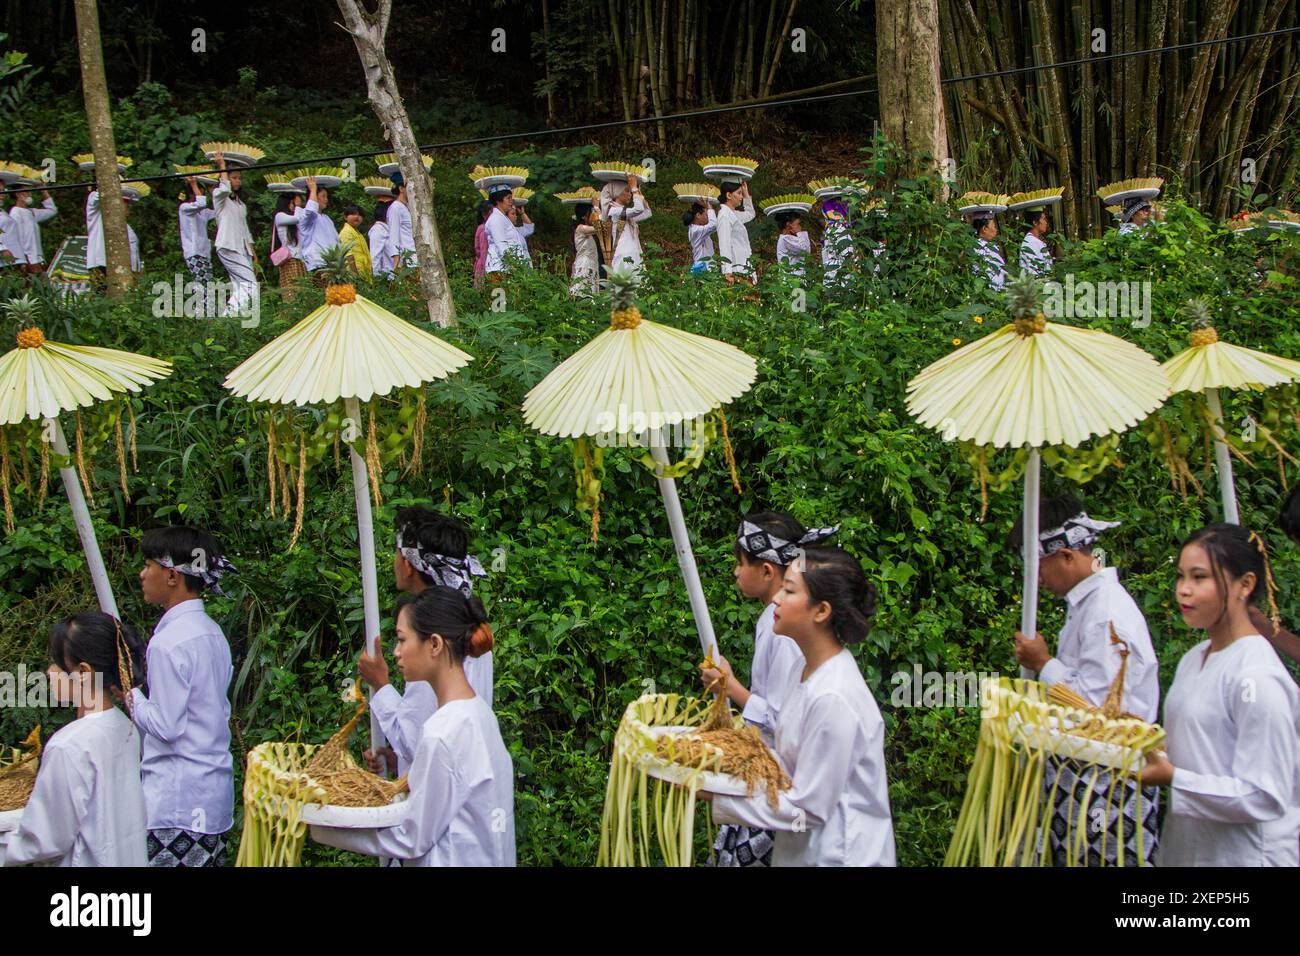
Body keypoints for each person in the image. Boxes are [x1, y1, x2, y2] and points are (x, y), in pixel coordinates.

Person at [703, 546, 896, 866]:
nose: (776, 598)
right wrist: (715, 762)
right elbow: (787, 765)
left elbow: (807, 807)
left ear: (821, 611)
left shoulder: (834, 696)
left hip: (839, 857)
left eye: (789, 590)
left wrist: (716, 793)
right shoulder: (803, 670)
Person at [314, 586, 516, 866]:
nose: (396, 652)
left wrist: (319, 825)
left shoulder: (442, 733)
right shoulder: (479, 714)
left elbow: (411, 836)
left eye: (401, 640)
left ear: (434, 644)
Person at [1011, 495, 1161, 865]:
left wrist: (1044, 664)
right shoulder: (1088, 607)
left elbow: (1099, 711)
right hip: (1084, 780)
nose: (1037, 577)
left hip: (1108, 791)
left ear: (1066, 555)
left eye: (1038, 565)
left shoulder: (1106, 613)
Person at [1140, 523, 1299, 866]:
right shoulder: (1192, 659)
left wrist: (1174, 778)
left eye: (1200, 578)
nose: (1183, 590)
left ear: (1245, 584)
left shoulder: (1257, 677)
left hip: (1243, 856)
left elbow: (1265, 796)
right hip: (1191, 848)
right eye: (1181, 576)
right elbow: (1203, 747)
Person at [701, 513, 838, 867]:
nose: (734, 571)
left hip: (779, 785)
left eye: (740, 563)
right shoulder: (771, 622)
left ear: (767, 571)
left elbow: (780, 720)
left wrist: (731, 688)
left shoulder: (788, 634)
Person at [3, 613, 148, 867]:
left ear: (83, 672)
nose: (48, 673)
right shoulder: (124, 727)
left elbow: (43, 840)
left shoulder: (68, 746)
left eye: (56, 664)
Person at [359, 508, 493, 777]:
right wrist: (401, 764)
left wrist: (381, 685)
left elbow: (415, 742)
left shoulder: (429, 635)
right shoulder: (468, 621)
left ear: (408, 564)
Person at [131, 526, 236, 867]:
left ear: (173, 575)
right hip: (211, 796)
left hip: (176, 803)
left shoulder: (168, 642)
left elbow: (167, 726)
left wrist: (130, 697)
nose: (142, 574)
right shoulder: (212, 634)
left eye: (149, 565)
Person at [212, 152, 258, 316]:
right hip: (227, 246)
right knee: (250, 285)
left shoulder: (239, 204)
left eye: (239, 178)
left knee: (241, 286)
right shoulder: (219, 197)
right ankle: (226, 319)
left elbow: (245, 229)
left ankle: (235, 321)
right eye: (234, 177)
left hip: (242, 248)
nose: (238, 181)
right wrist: (222, 165)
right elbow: (224, 188)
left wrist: (252, 252)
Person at [482, 184, 531, 279]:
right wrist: (514, 266)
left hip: (507, 269)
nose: (511, 201)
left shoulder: (503, 218)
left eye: (511, 198)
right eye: (508, 198)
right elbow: (501, 245)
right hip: (500, 269)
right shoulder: (496, 219)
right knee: (502, 293)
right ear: (498, 200)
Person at [6, 186, 58, 274]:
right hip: (29, 259)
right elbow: (18, 238)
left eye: (30, 192)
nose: (30, 195)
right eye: (26, 192)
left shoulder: (31, 212)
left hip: (37, 258)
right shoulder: (15, 212)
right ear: (18, 194)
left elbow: (52, 210)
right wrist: (24, 259)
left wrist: (43, 191)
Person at [603, 176, 650, 273]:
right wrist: (634, 189)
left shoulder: (627, 214)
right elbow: (638, 209)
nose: (630, 194)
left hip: (633, 251)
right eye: (627, 191)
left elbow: (647, 212)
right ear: (617, 193)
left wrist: (639, 193)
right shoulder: (614, 211)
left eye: (630, 191)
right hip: (624, 253)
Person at [178, 177, 216, 291]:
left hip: (204, 252)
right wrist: (194, 184)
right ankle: (201, 308)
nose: (199, 195)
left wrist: (213, 193)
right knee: (202, 285)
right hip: (194, 252)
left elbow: (219, 212)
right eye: (197, 192)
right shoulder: (184, 208)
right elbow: (201, 203)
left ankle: (206, 308)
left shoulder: (202, 212)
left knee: (208, 284)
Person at [298, 176, 340, 280]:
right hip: (318, 264)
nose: (326, 200)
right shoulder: (305, 216)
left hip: (333, 265)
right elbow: (311, 211)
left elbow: (336, 241)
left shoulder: (327, 219)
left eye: (327, 196)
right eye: (323, 196)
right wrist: (313, 189)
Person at [271, 188, 308, 300]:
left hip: (299, 259)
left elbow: (302, 218)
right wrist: (298, 205)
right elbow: (298, 218)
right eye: (292, 203)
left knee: (302, 291)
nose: (294, 206)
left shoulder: (291, 218)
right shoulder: (280, 216)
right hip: (289, 259)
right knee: (291, 291)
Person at [716, 180, 756, 283]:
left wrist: (746, 193)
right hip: (736, 269)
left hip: (744, 265)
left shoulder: (733, 214)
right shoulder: (724, 215)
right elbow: (724, 243)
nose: (741, 197)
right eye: (739, 193)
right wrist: (727, 272)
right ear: (729, 195)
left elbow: (750, 214)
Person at [382, 173, 415, 271]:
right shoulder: (395, 208)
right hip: (407, 261)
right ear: (401, 189)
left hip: (415, 257)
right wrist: (397, 263)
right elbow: (393, 235)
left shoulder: (408, 207)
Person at [570, 201, 603, 296]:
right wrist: (597, 208)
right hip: (585, 264)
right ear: (584, 216)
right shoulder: (581, 228)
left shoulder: (586, 230)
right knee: (582, 293)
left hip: (591, 263)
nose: (593, 216)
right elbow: (600, 226)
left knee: (590, 293)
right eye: (591, 213)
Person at [820, 198, 854, 287]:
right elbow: (847, 253)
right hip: (841, 279)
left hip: (830, 277)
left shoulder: (828, 230)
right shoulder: (840, 229)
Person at [970, 213, 1006, 290]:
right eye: (994, 226)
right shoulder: (980, 248)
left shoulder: (984, 246)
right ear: (984, 229)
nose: (996, 230)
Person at [775, 210, 812, 279]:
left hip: (796, 277)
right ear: (788, 225)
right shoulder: (786, 239)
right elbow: (805, 251)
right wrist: (799, 232)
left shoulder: (790, 238)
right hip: (791, 279)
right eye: (797, 224)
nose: (800, 227)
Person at [684, 201, 718, 274]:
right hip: (703, 269)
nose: (708, 218)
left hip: (705, 267)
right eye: (706, 215)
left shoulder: (697, 229)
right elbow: (714, 225)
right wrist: (709, 208)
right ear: (698, 215)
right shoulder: (696, 230)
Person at [1019, 206, 1054, 276]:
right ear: (1035, 222)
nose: (1046, 222)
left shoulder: (1035, 240)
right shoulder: (1031, 243)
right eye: (1043, 219)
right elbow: (1033, 272)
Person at [339, 204, 371, 276]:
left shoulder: (358, 233)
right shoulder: (346, 232)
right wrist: (355, 276)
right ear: (345, 217)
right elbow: (348, 255)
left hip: (364, 273)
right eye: (353, 214)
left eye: (360, 215)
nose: (357, 217)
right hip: (355, 274)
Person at [369, 195, 394, 278]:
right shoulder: (378, 229)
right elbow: (375, 257)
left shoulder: (390, 228)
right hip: (387, 278)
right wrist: (377, 281)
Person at [471, 199, 492, 287]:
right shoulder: (484, 229)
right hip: (484, 268)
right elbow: (483, 251)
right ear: (484, 214)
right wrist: (485, 271)